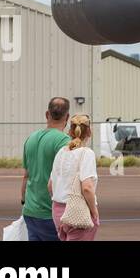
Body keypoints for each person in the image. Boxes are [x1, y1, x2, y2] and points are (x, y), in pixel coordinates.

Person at [20, 97, 71, 242]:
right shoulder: (64, 142)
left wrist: (24, 201)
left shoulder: (30, 139)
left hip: (30, 211)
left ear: (47, 114)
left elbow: (26, 175)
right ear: (67, 117)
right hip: (51, 213)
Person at [49, 114, 100, 241]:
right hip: (78, 211)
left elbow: (50, 185)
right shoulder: (86, 153)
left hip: (58, 210)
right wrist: (94, 212)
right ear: (89, 132)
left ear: (70, 131)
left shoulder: (61, 152)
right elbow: (87, 188)